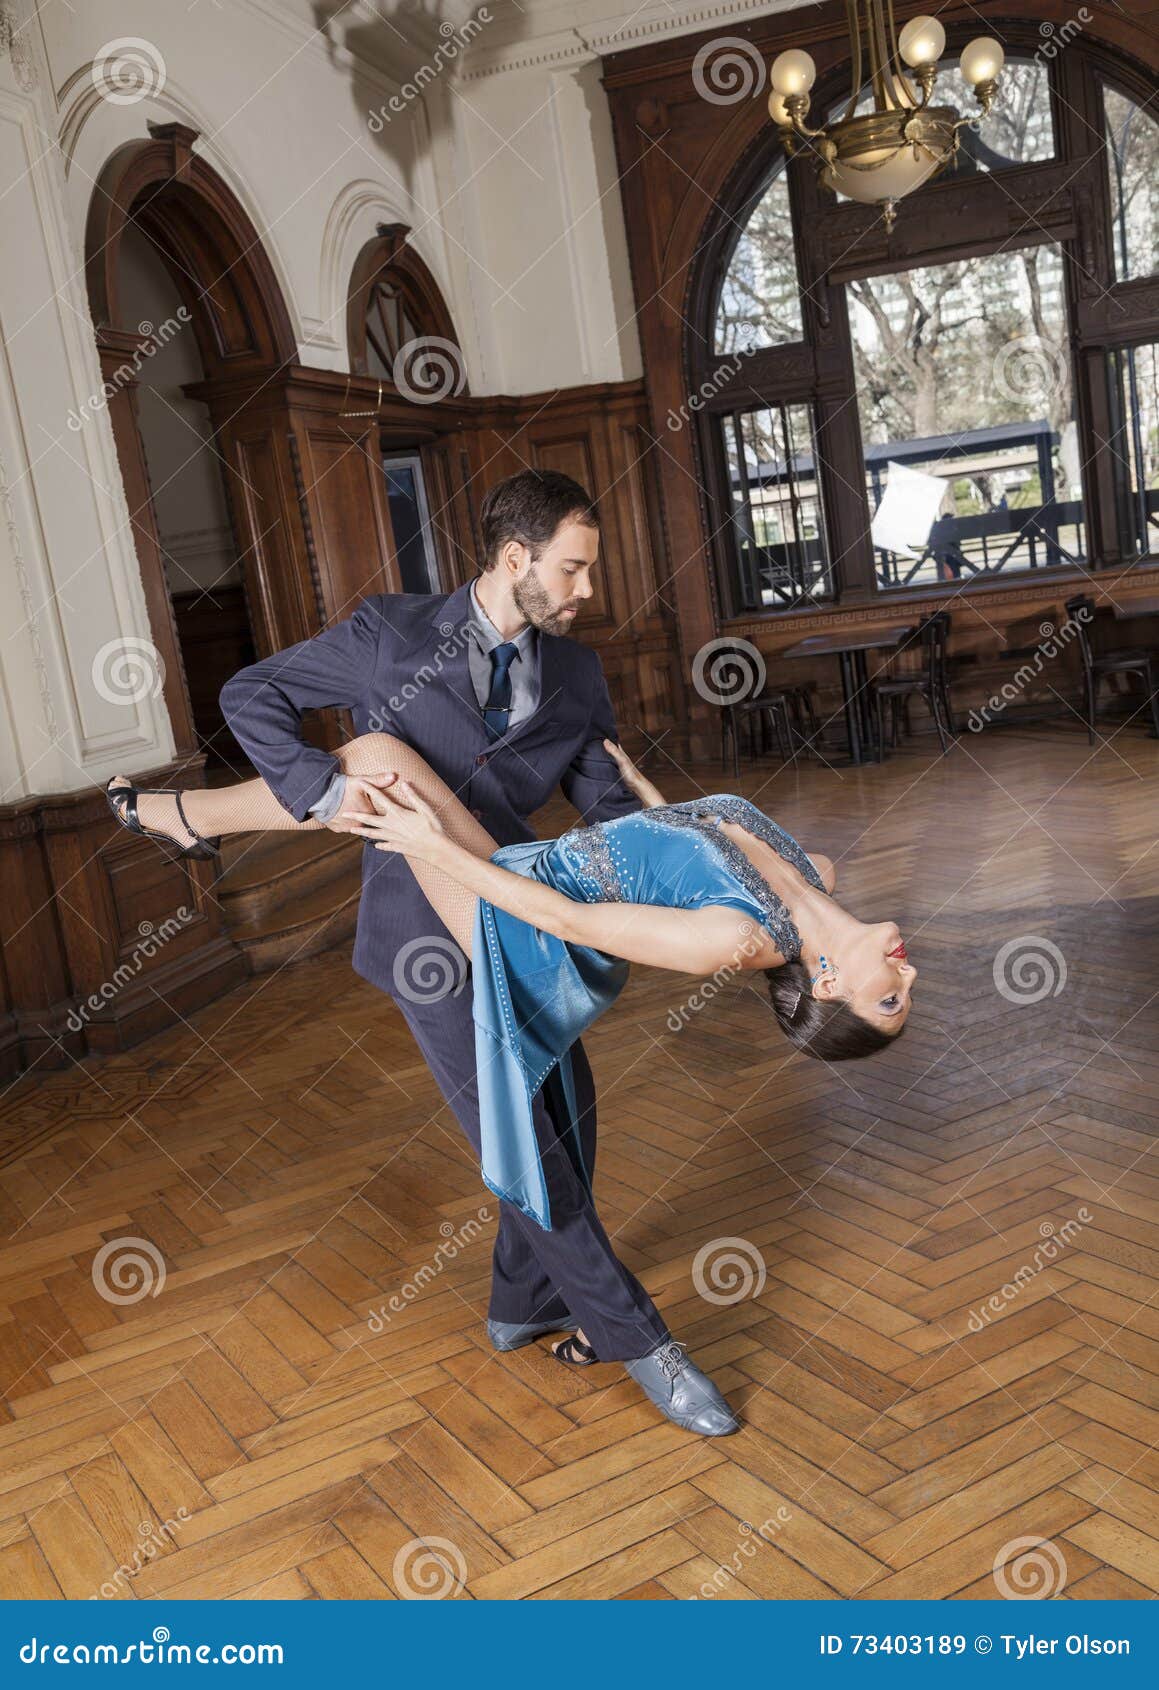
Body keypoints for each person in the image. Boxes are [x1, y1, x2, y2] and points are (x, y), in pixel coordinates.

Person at [106, 474, 917, 1437]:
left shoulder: (575, 674)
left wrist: (673, 841)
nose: (585, 591)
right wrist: (318, 798)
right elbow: (253, 694)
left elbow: (610, 824)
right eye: (573, 569)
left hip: (530, 897)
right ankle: (638, 1340)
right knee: (524, 1133)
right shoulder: (390, 635)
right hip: (427, 926)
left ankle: (520, 1302)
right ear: (513, 558)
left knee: (569, 1110)